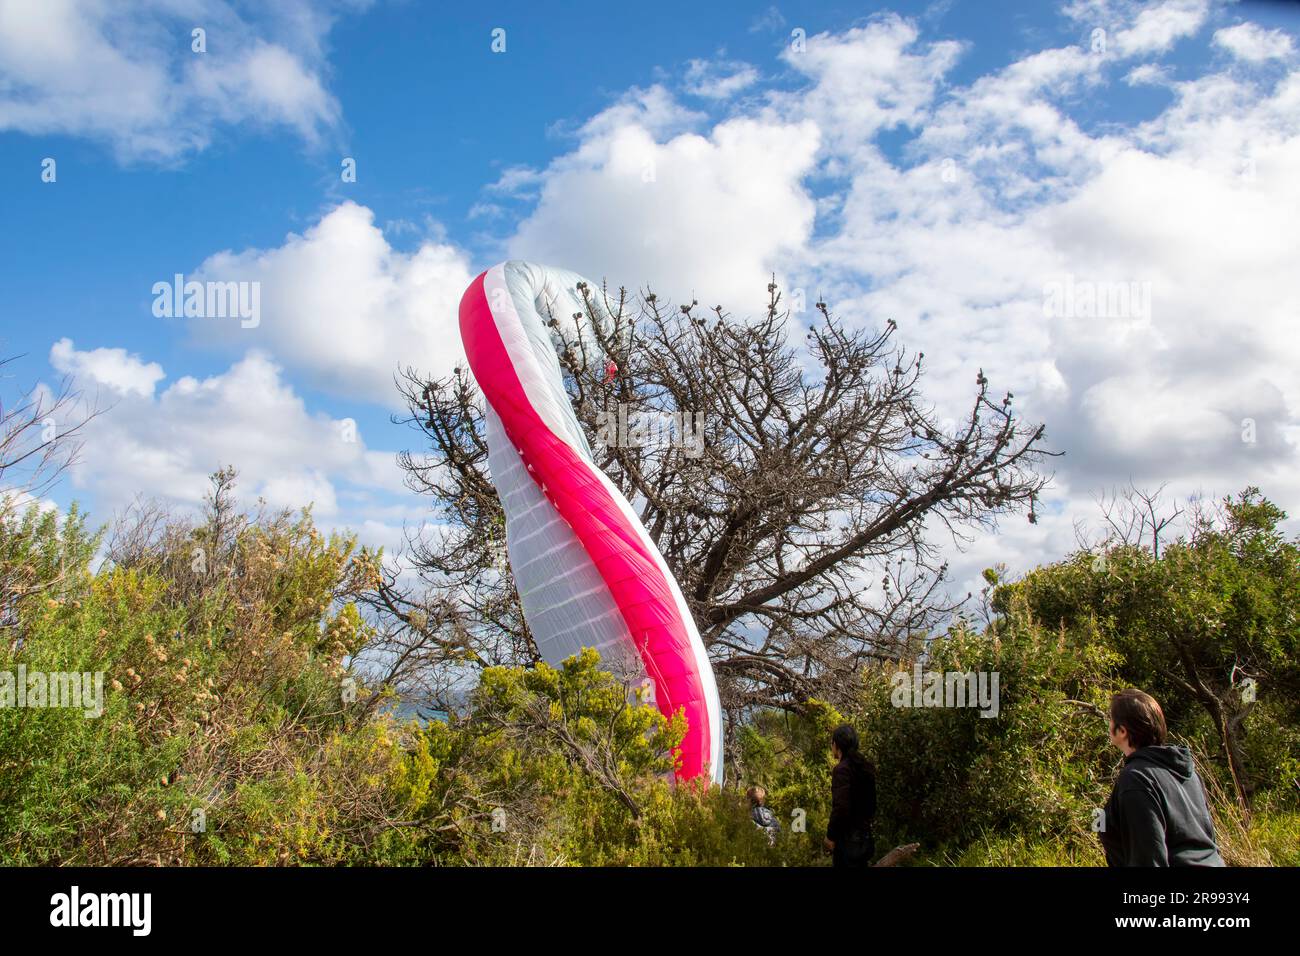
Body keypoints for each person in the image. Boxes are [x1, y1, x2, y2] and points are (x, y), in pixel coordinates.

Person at [1099, 688, 1224, 867]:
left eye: (1111, 719)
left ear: (1122, 731)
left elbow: (1148, 857)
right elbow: (1208, 840)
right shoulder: (1188, 773)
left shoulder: (1136, 778)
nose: (1108, 724)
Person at [825, 723, 876, 867]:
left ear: (836, 745)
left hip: (847, 843)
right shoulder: (866, 767)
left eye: (832, 743)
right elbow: (872, 805)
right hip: (864, 838)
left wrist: (830, 836)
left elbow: (841, 808)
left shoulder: (842, 770)